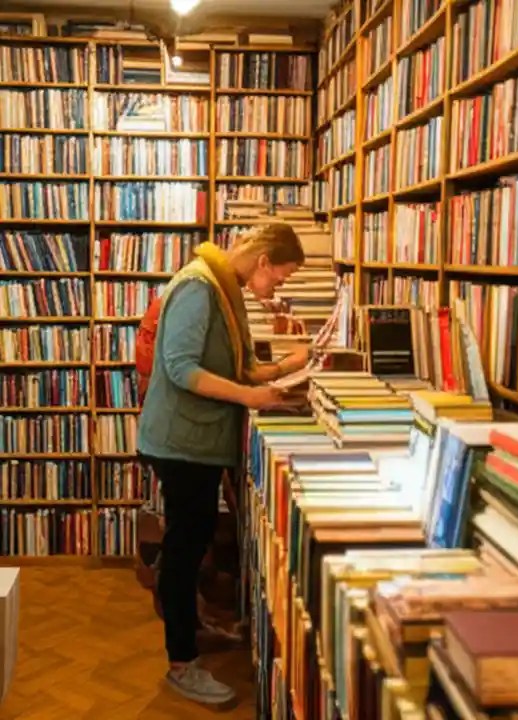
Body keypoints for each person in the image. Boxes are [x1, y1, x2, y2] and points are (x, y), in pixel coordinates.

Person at [137, 224, 314, 706]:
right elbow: (181, 367)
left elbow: (232, 366)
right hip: (180, 442)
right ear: (262, 262)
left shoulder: (223, 286)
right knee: (183, 548)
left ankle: (193, 631)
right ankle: (181, 664)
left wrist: (283, 374)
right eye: (281, 276)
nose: (280, 287)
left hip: (194, 440)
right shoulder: (200, 286)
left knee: (190, 545)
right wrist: (251, 395)